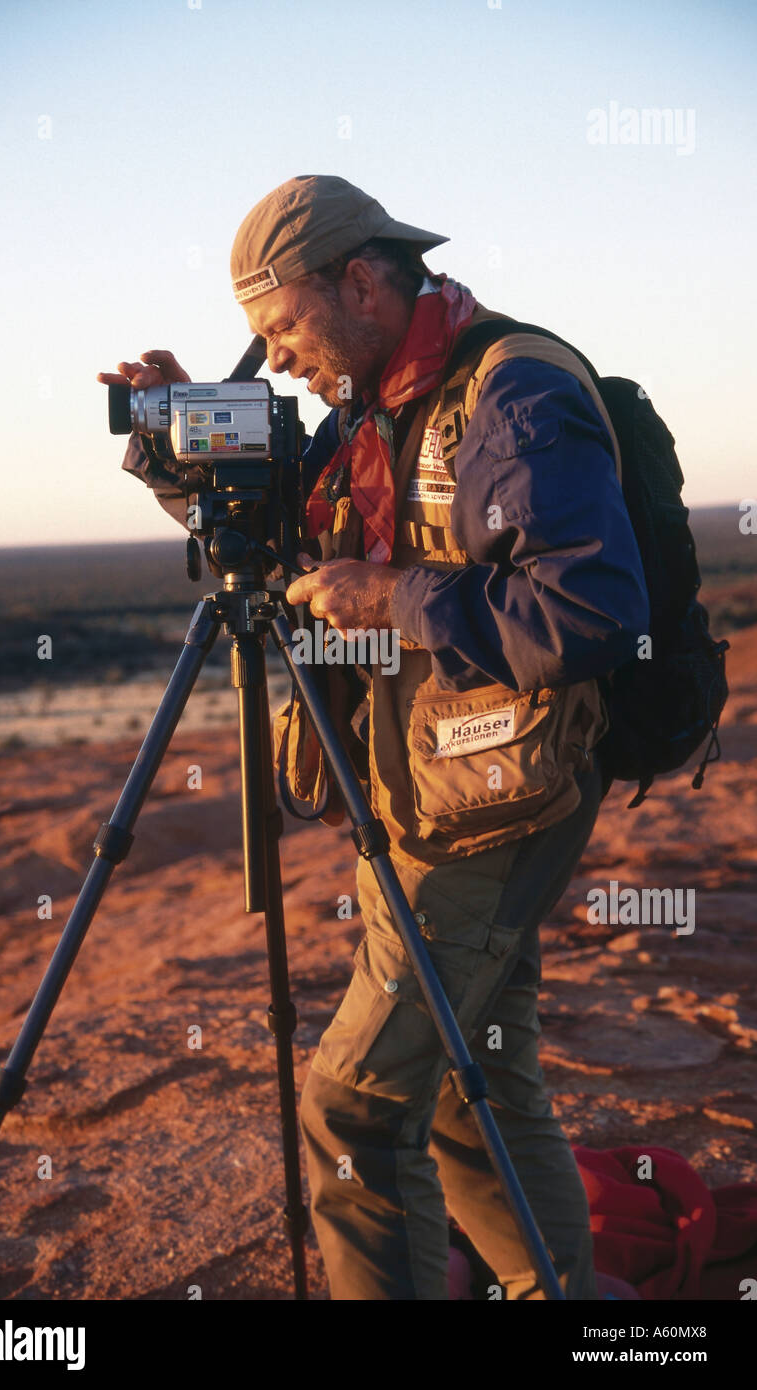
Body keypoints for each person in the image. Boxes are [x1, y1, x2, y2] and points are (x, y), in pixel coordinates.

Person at [97, 174, 650, 1301]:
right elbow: (267, 546)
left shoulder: (508, 394)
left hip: (495, 800)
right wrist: (176, 449)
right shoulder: (370, 412)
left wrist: (396, 599)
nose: (280, 356)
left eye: (282, 327)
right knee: (469, 1086)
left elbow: (593, 610)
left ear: (362, 280)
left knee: (353, 1105)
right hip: (420, 794)